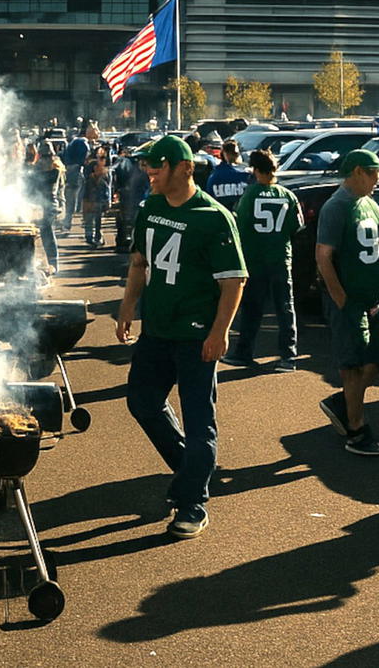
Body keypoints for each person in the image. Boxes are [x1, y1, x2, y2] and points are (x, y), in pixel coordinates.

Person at [116, 135, 247, 539]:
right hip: (157, 329)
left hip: (196, 336)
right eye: (148, 167)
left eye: (157, 167)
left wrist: (219, 332)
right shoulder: (151, 207)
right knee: (142, 401)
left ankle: (193, 502)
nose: (149, 173)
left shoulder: (214, 217)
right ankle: (190, 472)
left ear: (185, 168)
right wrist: (127, 306)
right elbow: (140, 261)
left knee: (199, 421)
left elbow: (234, 280)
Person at [314, 148, 379, 457]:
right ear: (357, 173)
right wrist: (341, 298)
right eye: (374, 172)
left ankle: (344, 401)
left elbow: (376, 251)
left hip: (377, 297)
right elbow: (323, 256)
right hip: (349, 301)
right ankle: (356, 429)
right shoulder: (337, 207)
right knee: (351, 366)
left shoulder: (372, 206)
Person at [224, 148, 303, 369]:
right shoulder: (288, 195)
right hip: (280, 258)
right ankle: (288, 355)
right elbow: (297, 226)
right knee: (285, 307)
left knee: (252, 308)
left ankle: (244, 352)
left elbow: (240, 225)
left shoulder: (250, 195)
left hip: (255, 259)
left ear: (256, 170)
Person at [26, 141, 64, 273]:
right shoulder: (39, 169)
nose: (46, 160)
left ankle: (53, 264)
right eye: (44, 157)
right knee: (31, 235)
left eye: (48, 157)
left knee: (47, 234)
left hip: (48, 206)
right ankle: (31, 264)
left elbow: (46, 186)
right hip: (38, 206)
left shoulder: (55, 171)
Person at [61, 123, 97, 231]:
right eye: (95, 129)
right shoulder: (83, 143)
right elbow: (84, 161)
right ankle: (70, 223)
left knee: (71, 199)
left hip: (70, 171)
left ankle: (67, 223)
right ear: (88, 130)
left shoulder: (75, 141)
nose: (97, 132)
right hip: (76, 172)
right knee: (75, 199)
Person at [207, 138, 252, 212]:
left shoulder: (214, 175)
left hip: (220, 215)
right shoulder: (245, 175)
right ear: (225, 154)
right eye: (235, 153)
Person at [84, 143, 114, 247]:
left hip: (98, 197)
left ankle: (95, 236)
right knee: (92, 218)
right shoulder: (91, 168)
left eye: (103, 157)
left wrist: (108, 200)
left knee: (96, 218)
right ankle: (92, 236)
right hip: (93, 196)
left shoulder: (106, 172)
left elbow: (109, 187)